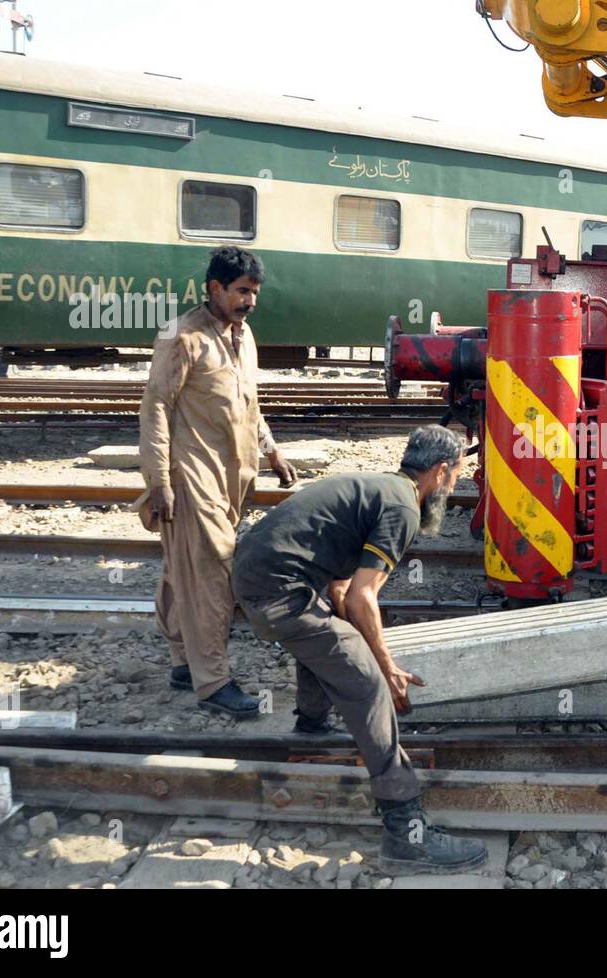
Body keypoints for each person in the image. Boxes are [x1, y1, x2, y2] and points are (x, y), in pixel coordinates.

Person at [231, 425, 487, 874]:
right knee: (367, 682)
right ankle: (405, 830)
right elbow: (363, 595)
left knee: (333, 637)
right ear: (440, 470)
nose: (455, 483)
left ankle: (312, 727)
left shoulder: (380, 489)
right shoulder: (403, 508)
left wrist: (359, 638)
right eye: (456, 473)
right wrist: (387, 666)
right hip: (275, 590)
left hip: (261, 573)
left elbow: (340, 588)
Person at [137, 246, 297, 717]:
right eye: (243, 292)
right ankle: (213, 684)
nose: (251, 301)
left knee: (181, 567)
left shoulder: (243, 336)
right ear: (215, 288)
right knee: (211, 577)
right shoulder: (181, 336)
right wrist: (159, 479)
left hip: (232, 478)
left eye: (255, 293)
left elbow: (249, 403)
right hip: (191, 478)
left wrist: (272, 451)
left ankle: (182, 662)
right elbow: (156, 407)